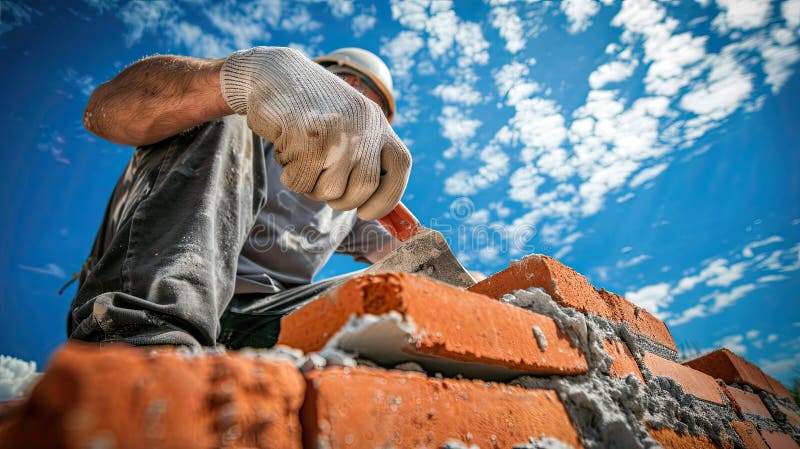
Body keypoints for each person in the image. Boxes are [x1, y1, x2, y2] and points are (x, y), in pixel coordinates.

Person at [68, 46, 412, 349]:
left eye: (373, 112)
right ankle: (144, 338)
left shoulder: (348, 203)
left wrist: (439, 273)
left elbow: (402, 253)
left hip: (263, 318)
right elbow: (100, 112)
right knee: (216, 110)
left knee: (404, 298)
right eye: (348, 91)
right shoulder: (246, 126)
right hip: (154, 296)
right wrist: (244, 77)